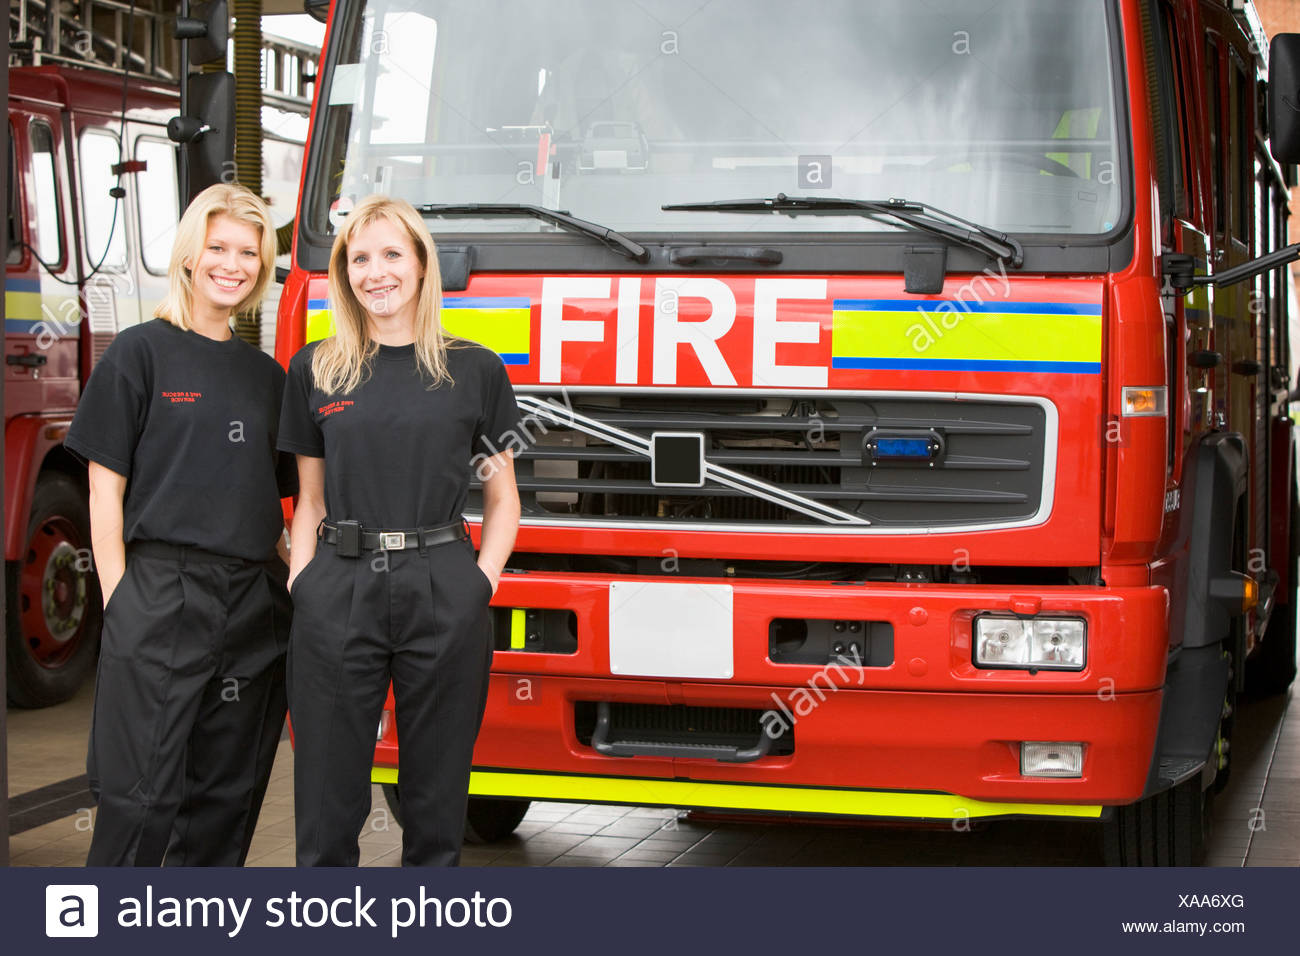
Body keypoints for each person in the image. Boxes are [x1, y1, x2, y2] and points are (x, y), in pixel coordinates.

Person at [279, 194, 521, 867]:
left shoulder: (474, 370)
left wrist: (481, 583)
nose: (375, 272)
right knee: (327, 804)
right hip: (338, 587)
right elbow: (310, 500)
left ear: (420, 265)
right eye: (359, 258)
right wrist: (304, 583)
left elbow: (503, 500)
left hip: (443, 584)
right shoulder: (316, 368)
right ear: (343, 272)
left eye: (391, 254)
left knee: (435, 801)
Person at [66, 183, 296, 866]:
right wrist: (122, 601)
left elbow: (277, 504)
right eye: (218, 247)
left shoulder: (266, 377)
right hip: (162, 592)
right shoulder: (140, 354)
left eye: (248, 252)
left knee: (226, 800)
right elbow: (103, 493)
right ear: (190, 256)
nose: (232, 263)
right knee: (140, 798)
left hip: (253, 603)